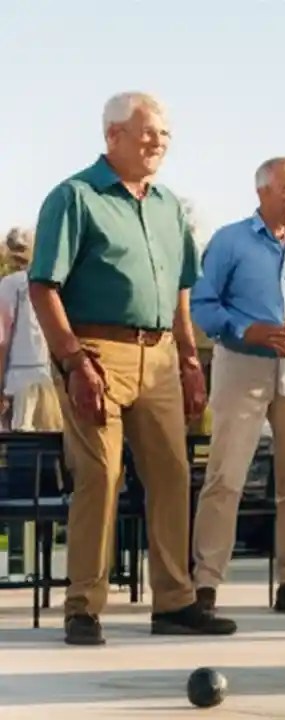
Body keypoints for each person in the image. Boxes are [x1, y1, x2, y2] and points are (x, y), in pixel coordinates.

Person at [29, 91, 237, 645]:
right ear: (112, 137)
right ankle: (83, 608)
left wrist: (191, 361)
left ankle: (175, 603)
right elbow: (42, 285)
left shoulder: (169, 205)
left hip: (163, 355)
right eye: (147, 132)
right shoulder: (74, 197)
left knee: (171, 474)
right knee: (100, 475)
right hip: (95, 352)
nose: (158, 143)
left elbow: (180, 292)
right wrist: (73, 361)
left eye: (164, 134)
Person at [189, 157, 285, 615]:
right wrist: (247, 329)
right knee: (225, 479)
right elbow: (202, 304)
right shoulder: (229, 241)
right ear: (261, 193)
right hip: (242, 366)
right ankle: (206, 584)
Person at [0, 227, 62, 432]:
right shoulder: (53, 283)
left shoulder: (10, 284)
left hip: (19, 380)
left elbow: (2, 340)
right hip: (50, 376)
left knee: (21, 451)